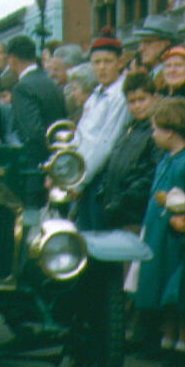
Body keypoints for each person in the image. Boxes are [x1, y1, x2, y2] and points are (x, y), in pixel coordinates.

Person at [133, 97, 185, 362]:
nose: (152, 134)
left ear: (169, 131)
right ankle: (166, 339)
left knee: (176, 291)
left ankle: (183, 342)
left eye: (155, 129)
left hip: (177, 236)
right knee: (159, 284)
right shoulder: (167, 158)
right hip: (158, 233)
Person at [70, 27, 131, 229]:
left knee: (97, 236)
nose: (102, 67)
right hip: (83, 176)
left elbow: (105, 144)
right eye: (97, 62)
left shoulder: (120, 96)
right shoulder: (96, 93)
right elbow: (82, 135)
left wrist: (80, 181)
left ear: (120, 62)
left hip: (100, 181)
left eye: (108, 61)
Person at [96, 71, 158, 230]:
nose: (137, 106)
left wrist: (122, 202)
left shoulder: (156, 133)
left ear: (154, 97)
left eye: (142, 99)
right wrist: (103, 191)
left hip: (134, 215)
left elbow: (150, 176)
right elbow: (112, 163)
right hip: (114, 209)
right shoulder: (129, 128)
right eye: (131, 101)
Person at [5, 34, 66, 165]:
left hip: (36, 165)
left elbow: (31, 134)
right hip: (57, 157)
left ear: (12, 58)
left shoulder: (22, 87)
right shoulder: (51, 82)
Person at [133, 14, 179, 85]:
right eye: (141, 43)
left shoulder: (172, 77)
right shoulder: (149, 75)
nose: (141, 49)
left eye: (148, 43)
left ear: (165, 44)